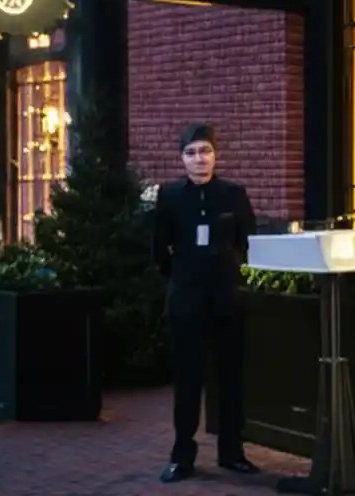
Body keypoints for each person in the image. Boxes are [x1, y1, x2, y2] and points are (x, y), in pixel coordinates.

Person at [152, 123, 260, 483]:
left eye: (205, 151)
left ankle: (233, 452)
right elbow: (159, 250)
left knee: (231, 379)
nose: (199, 159)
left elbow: (248, 242)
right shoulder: (169, 196)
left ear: (215, 155)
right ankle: (182, 455)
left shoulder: (233, 194)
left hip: (227, 299)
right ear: (182, 159)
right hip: (185, 301)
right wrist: (182, 275)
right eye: (191, 153)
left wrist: (229, 273)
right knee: (186, 382)